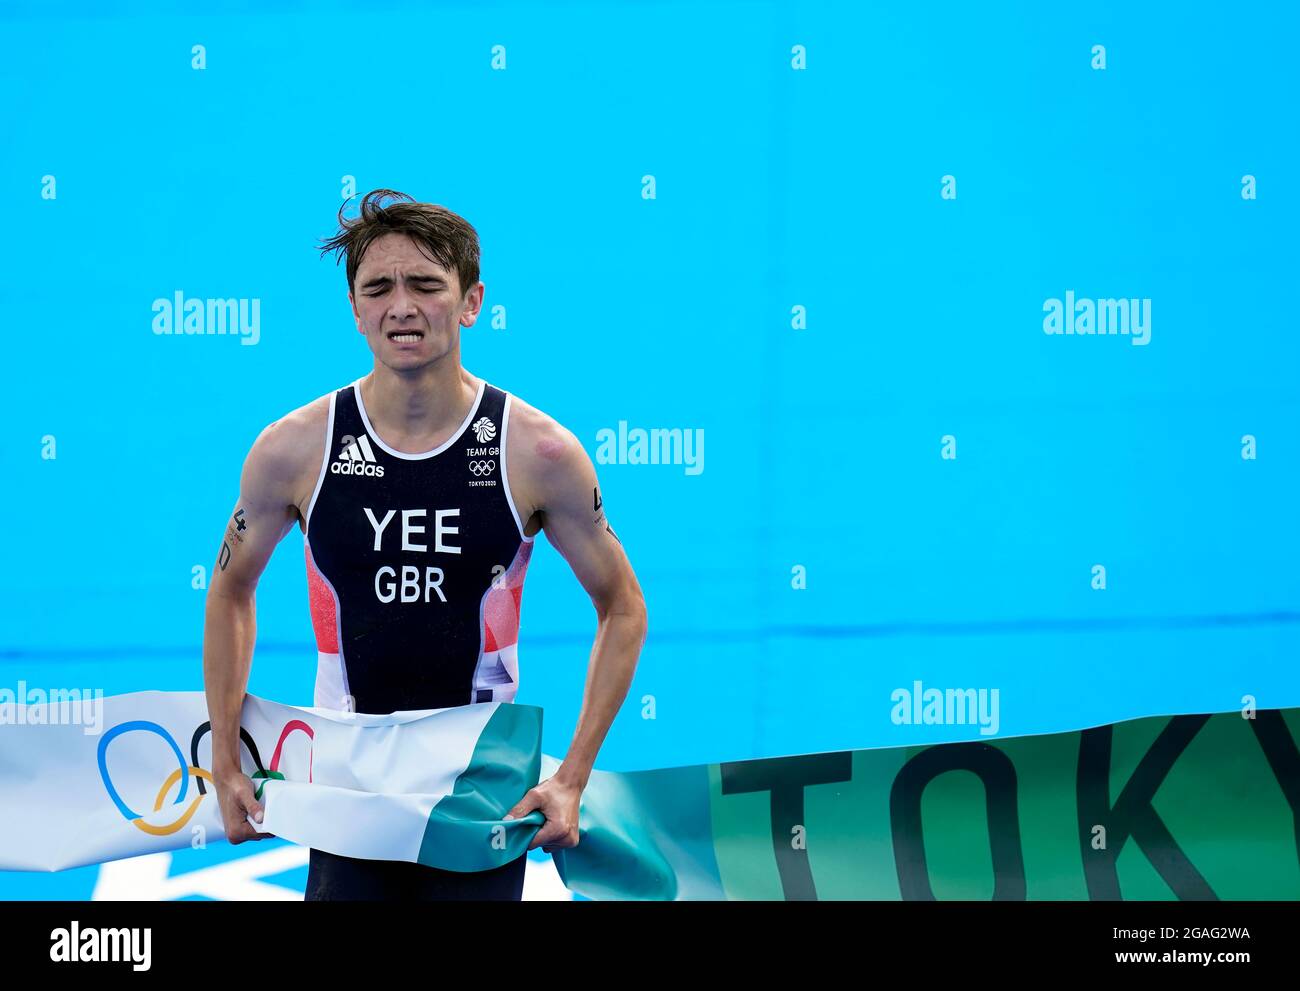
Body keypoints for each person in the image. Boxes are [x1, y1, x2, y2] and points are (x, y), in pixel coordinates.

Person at [202, 188, 648, 900]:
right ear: (355, 309)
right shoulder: (294, 450)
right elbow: (229, 589)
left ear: (472, 301)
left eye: (426, 285)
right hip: (348, 779)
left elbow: (622, 605)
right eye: (377, 287)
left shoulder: (536, 452)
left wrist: (573, 776)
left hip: (479, 787)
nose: (400, 306)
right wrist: (225, 756)